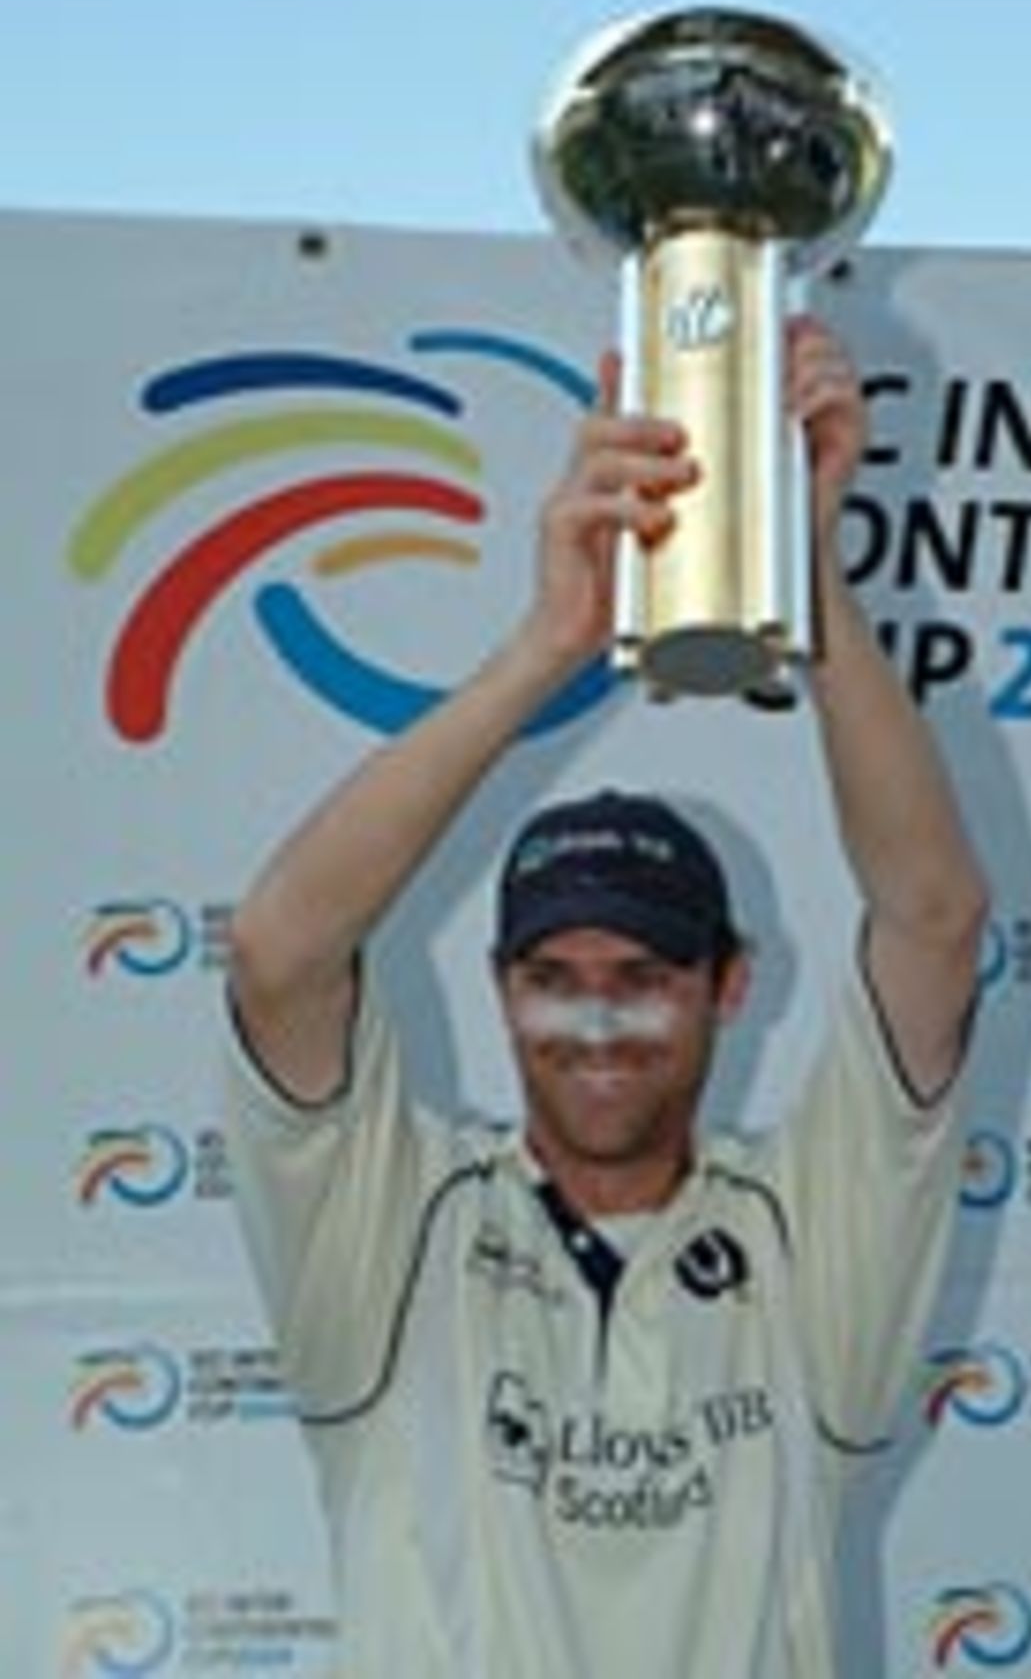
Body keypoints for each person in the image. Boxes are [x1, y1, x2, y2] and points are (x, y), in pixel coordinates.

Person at [223, 316, 989, 1679]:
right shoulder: (399, 1233)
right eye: (553, 980)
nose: (595, 1025)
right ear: (501, 992)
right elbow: (282, 952)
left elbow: (933, 922)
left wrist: (799, 582)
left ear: (729, 988)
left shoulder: (807, 1242)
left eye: (642, 978)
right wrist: (546, 644)